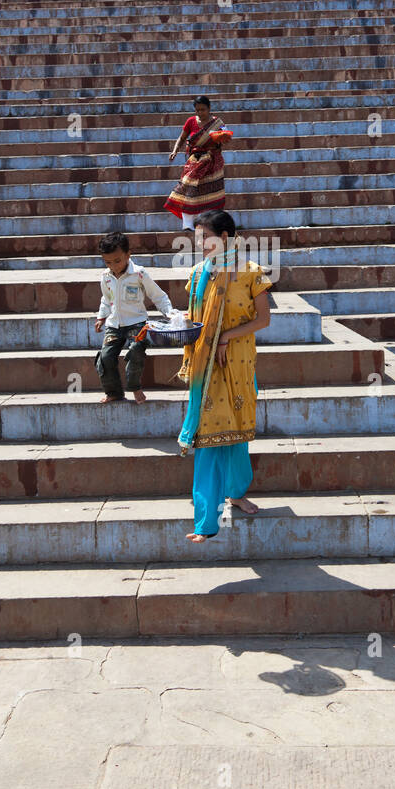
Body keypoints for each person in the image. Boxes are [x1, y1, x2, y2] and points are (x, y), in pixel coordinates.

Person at [178, 210, 272, 543]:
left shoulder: (250, 274)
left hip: (238, 364)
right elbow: (194, 320)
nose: (200, 243)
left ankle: (236, 492)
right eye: (197, 237)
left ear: (228, 238)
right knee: (209, 441)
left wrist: (226, 336)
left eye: (206, 236)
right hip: (207, 369)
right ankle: (206, 520)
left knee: (237, 435)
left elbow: (263, 320)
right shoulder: (197, 273)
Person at [95, 230, 177, 404]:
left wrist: (169, 313)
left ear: (128, 255)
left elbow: (158, 296)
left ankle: (134, 386)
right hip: (114, 325)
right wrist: (101, 317)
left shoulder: (139, 274)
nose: (114, 266)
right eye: (108, 262)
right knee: (105, 358)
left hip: (136, 323)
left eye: (117, 261)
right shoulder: (105, 276)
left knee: (136, 350)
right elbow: (106, 298)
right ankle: (114, 392)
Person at [165, 95, 233, 228]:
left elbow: (226, 138)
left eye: (203, 109)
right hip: (195, 160)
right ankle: (187, 224)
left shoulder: (218, 123)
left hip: (213, 161)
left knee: (212, 192)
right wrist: (175, 151)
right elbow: (182, 138)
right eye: (198, 110)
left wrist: (223, 138)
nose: (200, 113)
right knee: (187, 189)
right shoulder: (190, 121)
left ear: (209, 109)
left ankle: (212, 224)